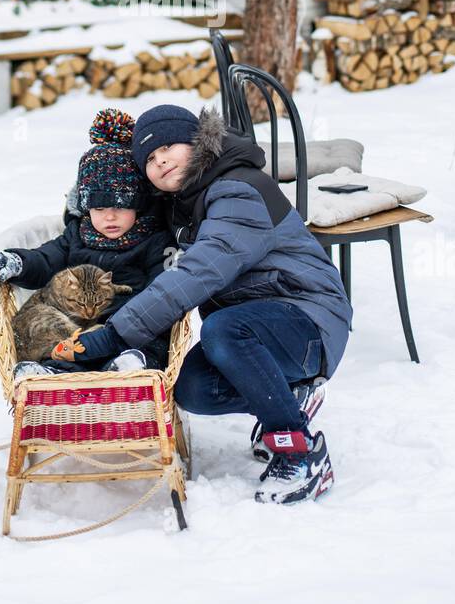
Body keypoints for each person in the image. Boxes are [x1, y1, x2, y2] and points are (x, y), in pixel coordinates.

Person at [52, 104, 353, 505]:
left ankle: (299, 451)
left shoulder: (239, 189)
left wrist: (116, 333)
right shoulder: (185, 198)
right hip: (255, 326)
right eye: (150, 161)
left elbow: (200, 270)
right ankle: (289, 396)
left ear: (198, 141)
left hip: (306, 317)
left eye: (168, 149)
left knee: (225, 329)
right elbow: (116, 203)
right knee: (193, 387)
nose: (160, 162)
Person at [0, 109, 173, 375]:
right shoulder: (78, 235)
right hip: (78, 331)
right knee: (64, 348)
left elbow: (161, 288)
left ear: (139, 204)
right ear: (85, 208)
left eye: (121, 206)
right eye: (99, 209)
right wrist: (16, 262)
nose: (110, 217)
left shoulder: (153, 240)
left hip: (131, 327)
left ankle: (130, 367)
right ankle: (51, 374)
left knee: (152, 342)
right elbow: (45, 259)